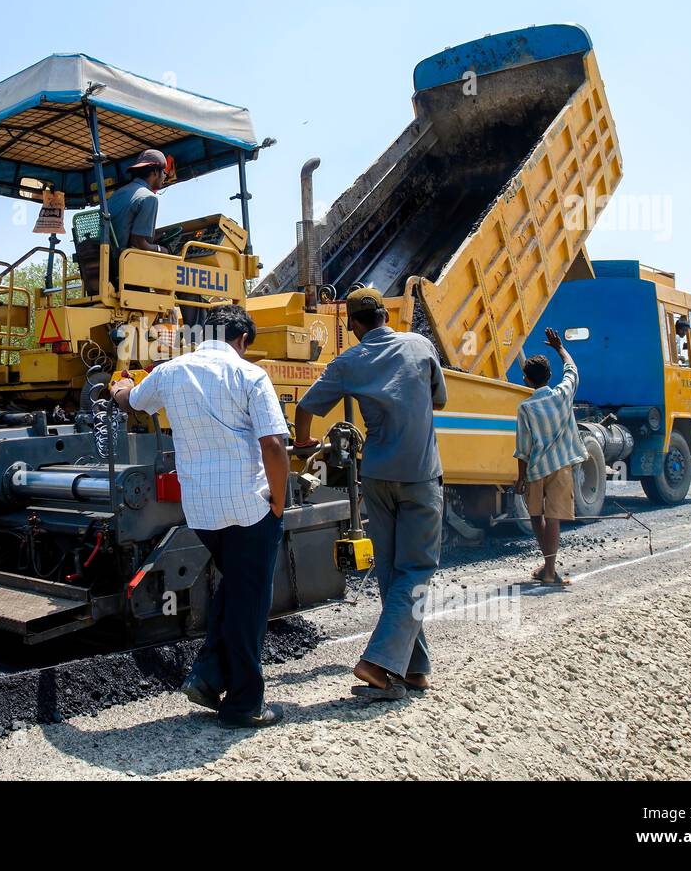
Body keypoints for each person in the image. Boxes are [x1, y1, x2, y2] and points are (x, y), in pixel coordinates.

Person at [111, 303, 290, 728]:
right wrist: (279, 503)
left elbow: (132, 401)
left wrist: (116, 384)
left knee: (236, 589)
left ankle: (208, 676)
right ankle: (245, 704)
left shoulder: (172, 372)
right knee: (251, 602)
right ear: (242, 338)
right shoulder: (250, 375)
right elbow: (274, 446)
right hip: (250, 508)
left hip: (202, 512)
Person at [294, 287, 447, 700]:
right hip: (419, 475)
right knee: (416, 570)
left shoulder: (349, 361)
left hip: (377, 478)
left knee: (393, 573)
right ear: (384, 315)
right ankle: (379, 663)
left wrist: (305, 443)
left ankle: (412, 669)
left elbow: (305, 407)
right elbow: (440, 399)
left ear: (355, 326)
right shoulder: (419, 344)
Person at [513, 328, 584, 586]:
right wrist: (560, 348)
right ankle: (550, 569)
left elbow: (523, 448)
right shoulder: (563, 394)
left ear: (526, 380)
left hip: (535, 469)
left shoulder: (526, 408)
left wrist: (520, 478)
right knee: (553, 516)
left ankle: (548, 566)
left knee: (535, 515)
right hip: (561, 466)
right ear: (550, 376)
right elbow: (572, 369)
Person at [105, 149, 169, 255]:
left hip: (109, 256)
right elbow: (138, 243)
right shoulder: (149, 198)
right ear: (155, 172)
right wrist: (161, 249)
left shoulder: (117, 193)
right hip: (124, 260)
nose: (165, 176)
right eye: (163, 172)